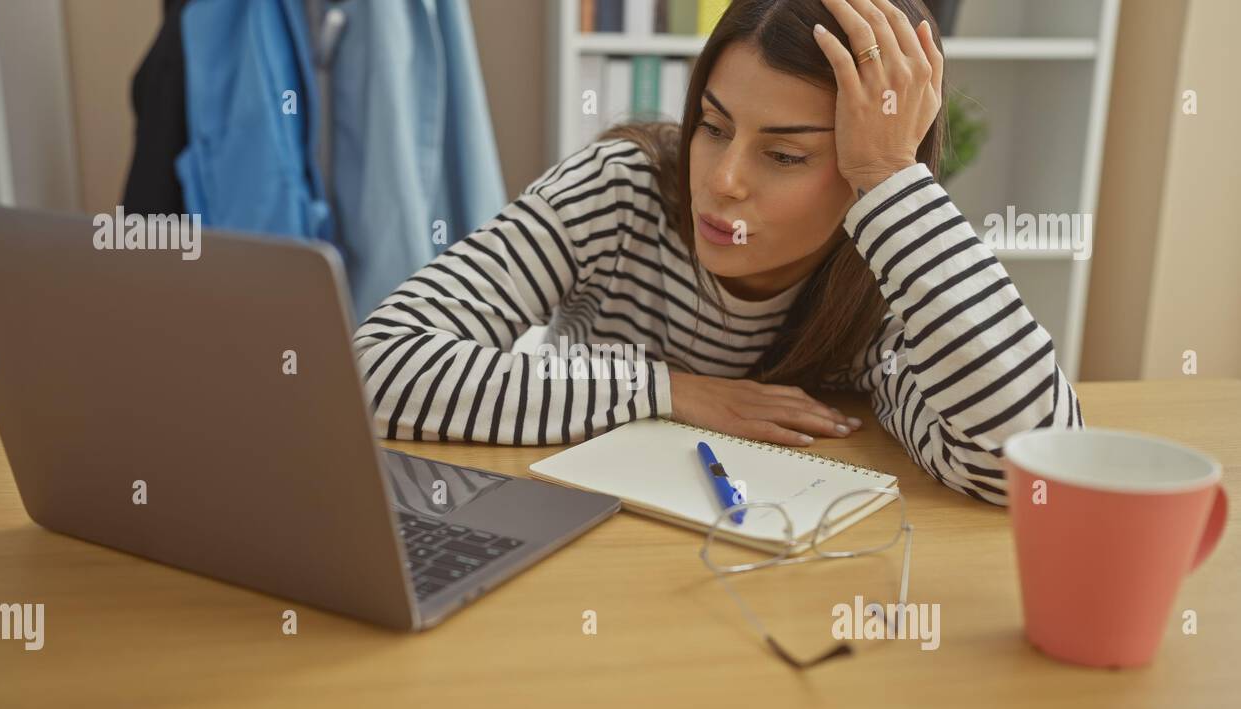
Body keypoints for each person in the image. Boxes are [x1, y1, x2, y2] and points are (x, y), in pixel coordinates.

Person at [352, 0, 1083, 506]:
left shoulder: (886, 266)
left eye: (786, 155)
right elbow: (376, 367)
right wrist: (671, 391)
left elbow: (1023, 462)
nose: (722, 180)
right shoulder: (620, 190)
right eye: (712, 123)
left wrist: (893, 184)